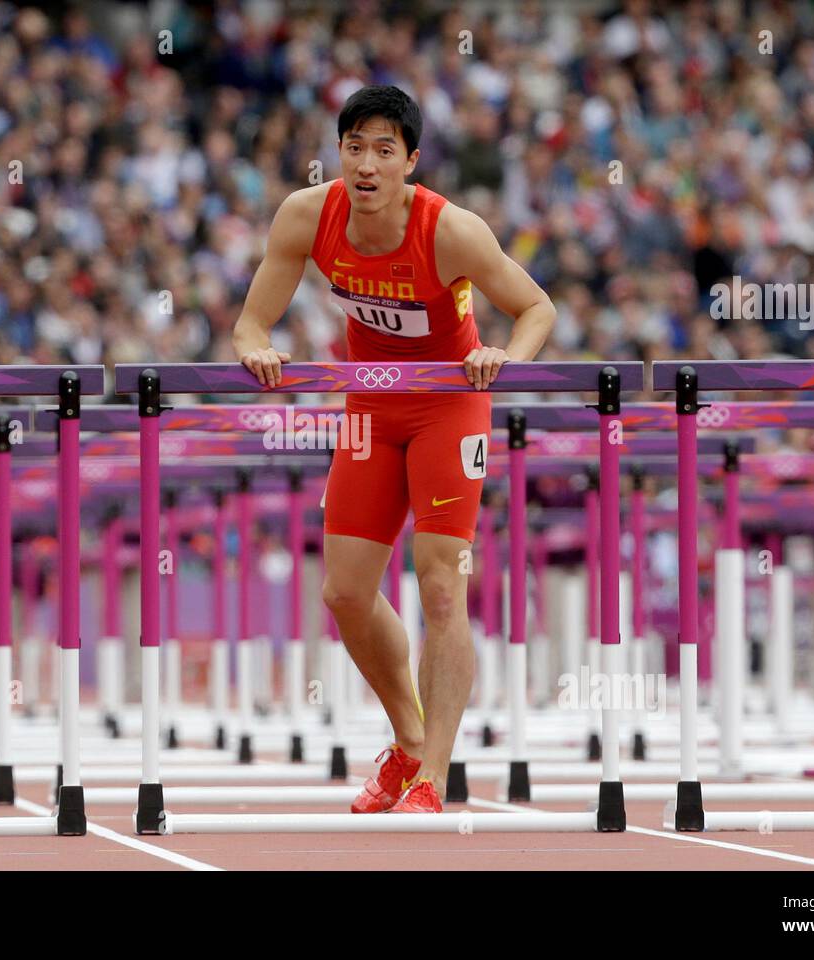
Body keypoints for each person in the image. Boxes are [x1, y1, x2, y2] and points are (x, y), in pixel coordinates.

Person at [232, 85, 556, 813]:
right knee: (344, 592)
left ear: (410, 161)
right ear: (338, 155)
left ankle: (434, 778)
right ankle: (409, 738)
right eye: (354, 148)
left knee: (440, 587)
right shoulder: (306, 216)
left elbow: (538, 306)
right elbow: (251, 323)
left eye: (385, 151)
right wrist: (258, 349)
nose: (367, 165)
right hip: (368, 408)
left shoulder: (452, 231)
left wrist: (507, 353)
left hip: (451, 406)